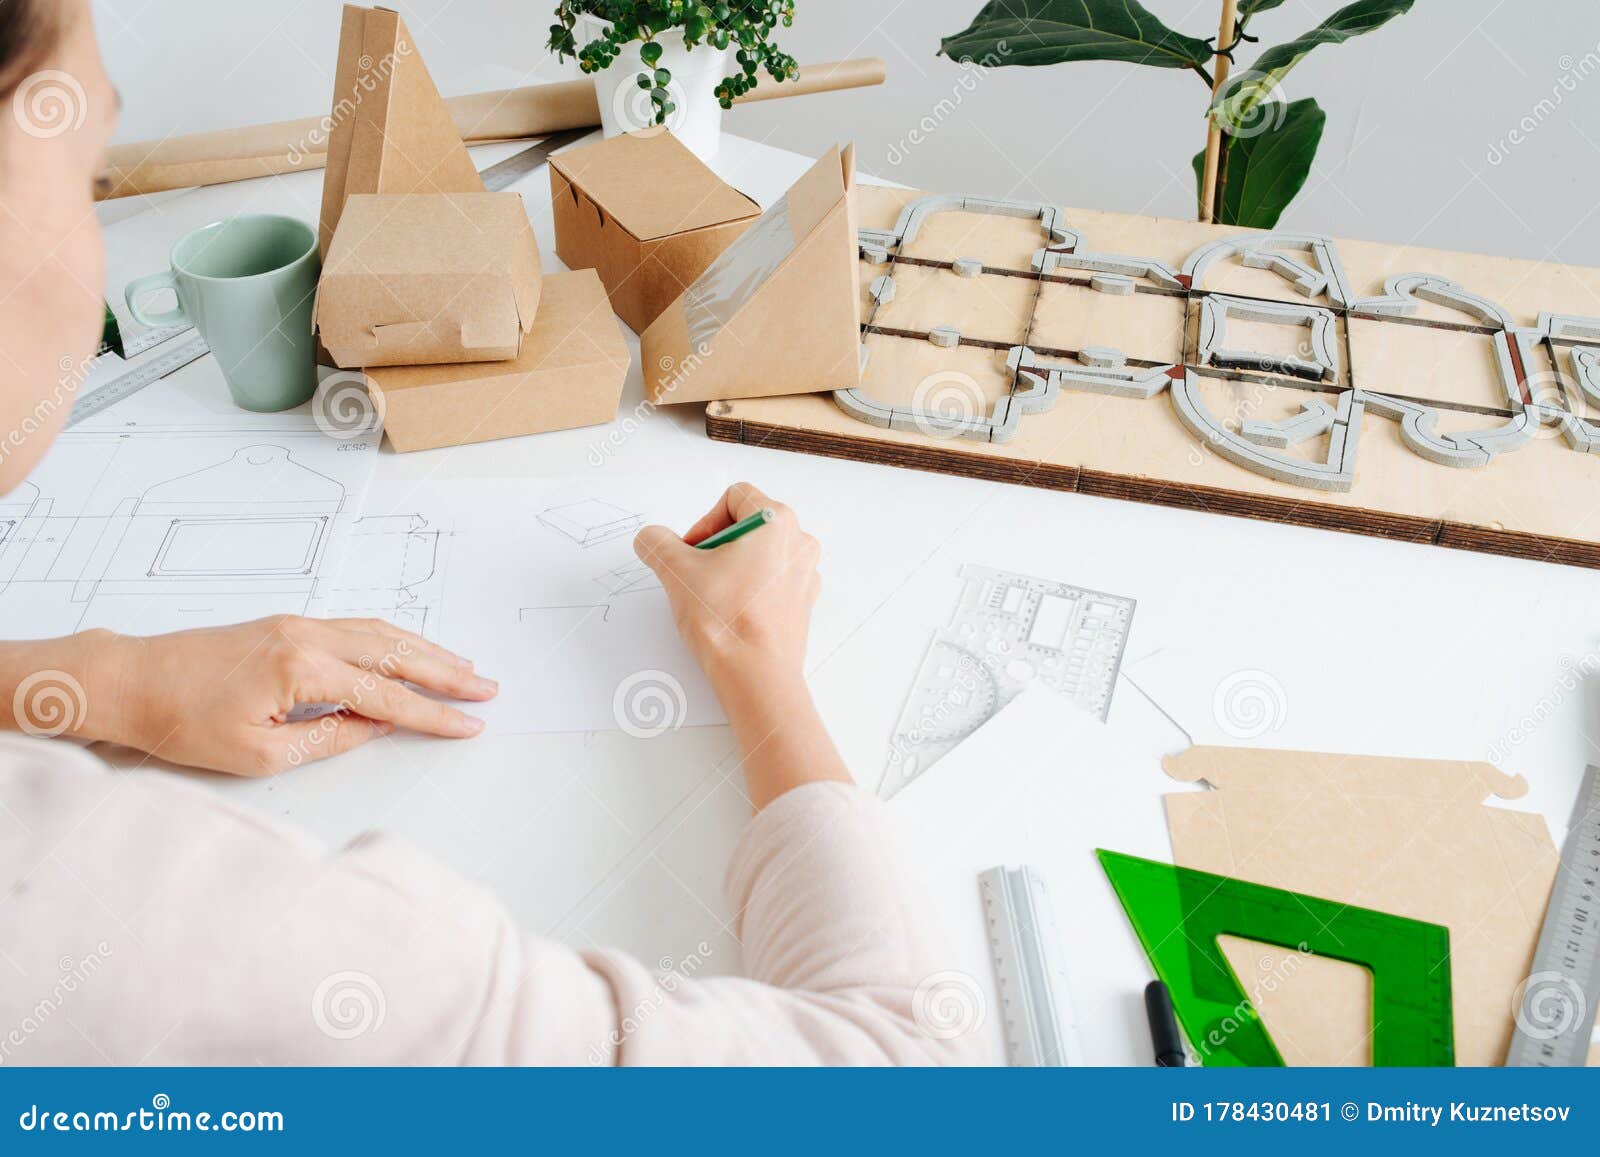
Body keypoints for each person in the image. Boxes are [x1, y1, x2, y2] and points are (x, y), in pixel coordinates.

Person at [0, 1, 985, 1064]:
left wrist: (99, 677)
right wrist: (761, 666)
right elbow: (902, 1071)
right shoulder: (111, 901)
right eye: (89, 177)